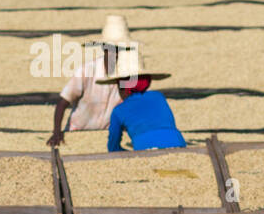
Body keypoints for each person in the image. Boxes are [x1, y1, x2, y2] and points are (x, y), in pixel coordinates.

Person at [46, 13, 133, 146]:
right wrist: (57, 132)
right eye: (111, 50)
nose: (115, 54)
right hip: (77, 133)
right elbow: (62, 103)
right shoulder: (86, 71)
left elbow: (130, 106)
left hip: (105, 137)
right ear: (104, 49)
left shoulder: (128, 75)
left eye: (119, 50)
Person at [99, 46, 186, 152]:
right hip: (178, 142)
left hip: (146, 148)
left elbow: (113, 148)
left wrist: (128, 154)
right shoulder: (159, 97)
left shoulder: (119, 110)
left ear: (122, 87)